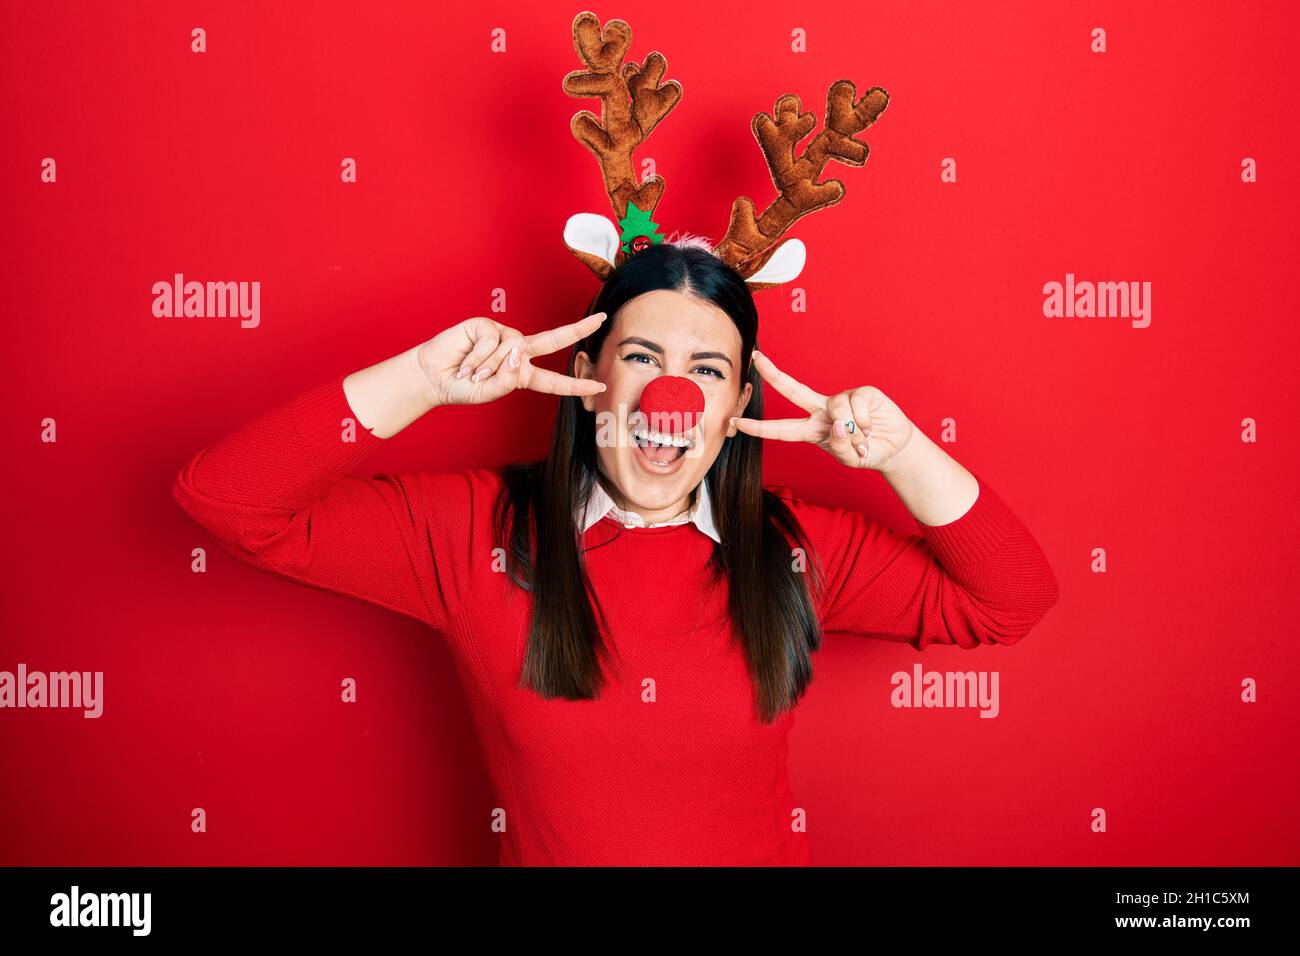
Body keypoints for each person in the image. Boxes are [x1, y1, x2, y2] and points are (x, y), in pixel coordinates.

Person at [171, 241, 1060, 866]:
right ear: (593, 379)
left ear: (737, 403)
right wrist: (422, 380)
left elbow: (1012, 600)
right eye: (641, 356)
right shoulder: (474, 531)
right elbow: (230, 502)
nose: (673, 391)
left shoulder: (791, 548)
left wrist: (902, 452)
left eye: (708, 371)